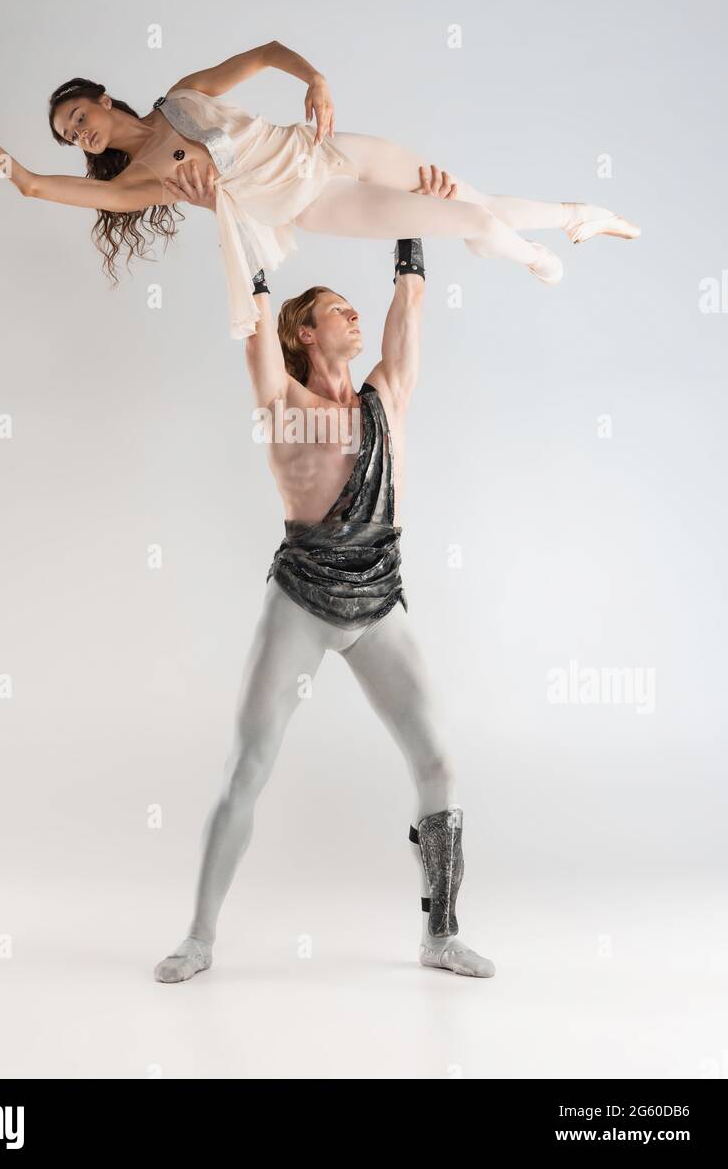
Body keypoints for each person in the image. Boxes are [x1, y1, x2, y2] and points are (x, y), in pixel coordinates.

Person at [153, 161, 495, 983]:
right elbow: (253, 311)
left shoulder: (386, 395)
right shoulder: (282, 400)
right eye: (338, 309)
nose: (353, 313)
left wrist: (420, 219)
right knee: (248, 765)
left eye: (354, 306)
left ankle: (439, 933)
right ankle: (199, 936)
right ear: (307, 334)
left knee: (439, 761)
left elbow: (409, 298)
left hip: (378, 600)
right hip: (301, 599)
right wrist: (233, 218)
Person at [0, 44, 640, 339]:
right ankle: (534, 256)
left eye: (78, 117)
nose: (77, 134)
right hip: (314, 203)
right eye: (67, 135)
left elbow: (262, 53)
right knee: (468, 219)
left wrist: (313, 78)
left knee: (473, 198)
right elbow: (28, 186)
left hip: (331, 152)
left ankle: (580, 215)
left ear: (103, 100)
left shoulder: (182, 97)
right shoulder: (140, 184)